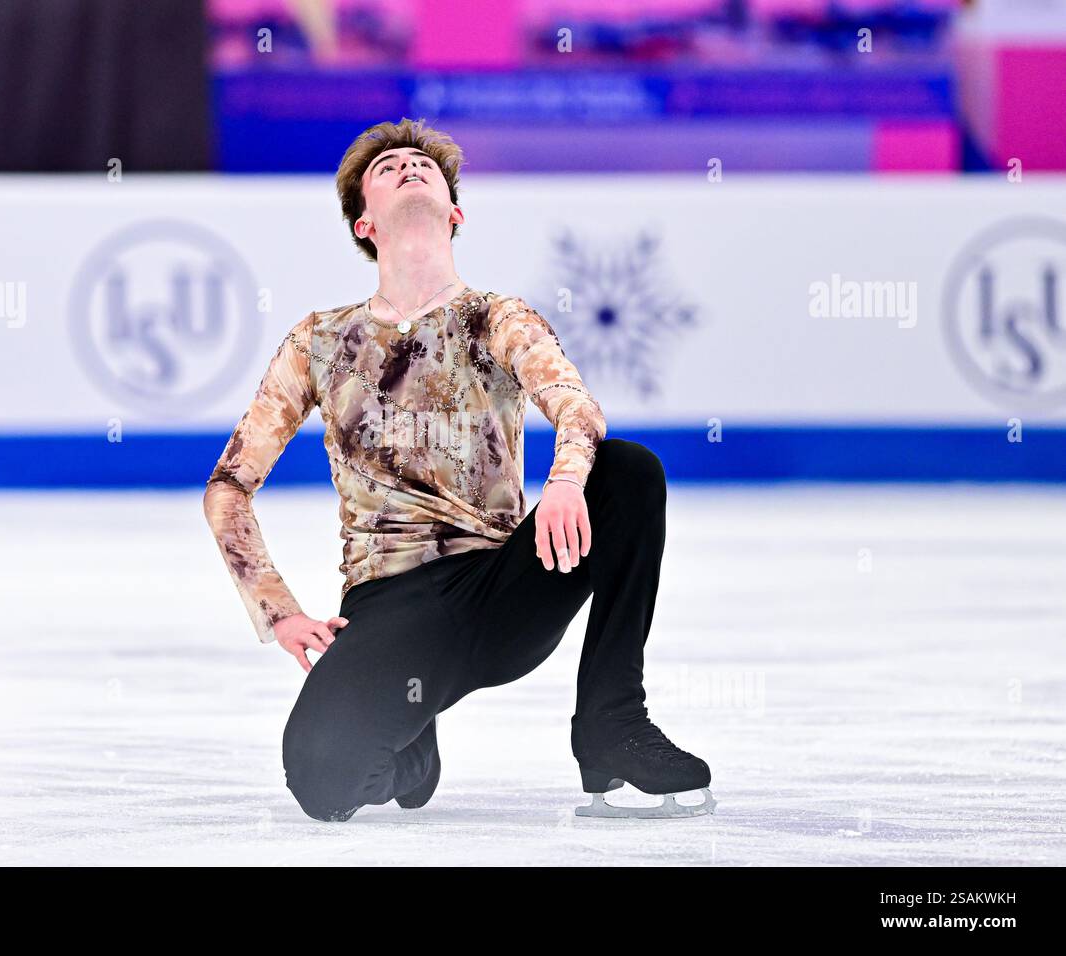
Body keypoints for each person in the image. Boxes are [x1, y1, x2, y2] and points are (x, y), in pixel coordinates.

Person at [203, 117, 713, 822]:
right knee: (322, 783)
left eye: (422, 164)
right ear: (363, 225)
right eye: (388, 168)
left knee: (627, 472)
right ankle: (412, 736)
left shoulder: (496, 317)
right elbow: (229, 489)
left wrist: (565, 483)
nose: (407, 167)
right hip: (390, 608)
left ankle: (611, 720)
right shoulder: (318, 341)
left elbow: (575, 407)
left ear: (455, 212)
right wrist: (278, 612)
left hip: (502, 588)